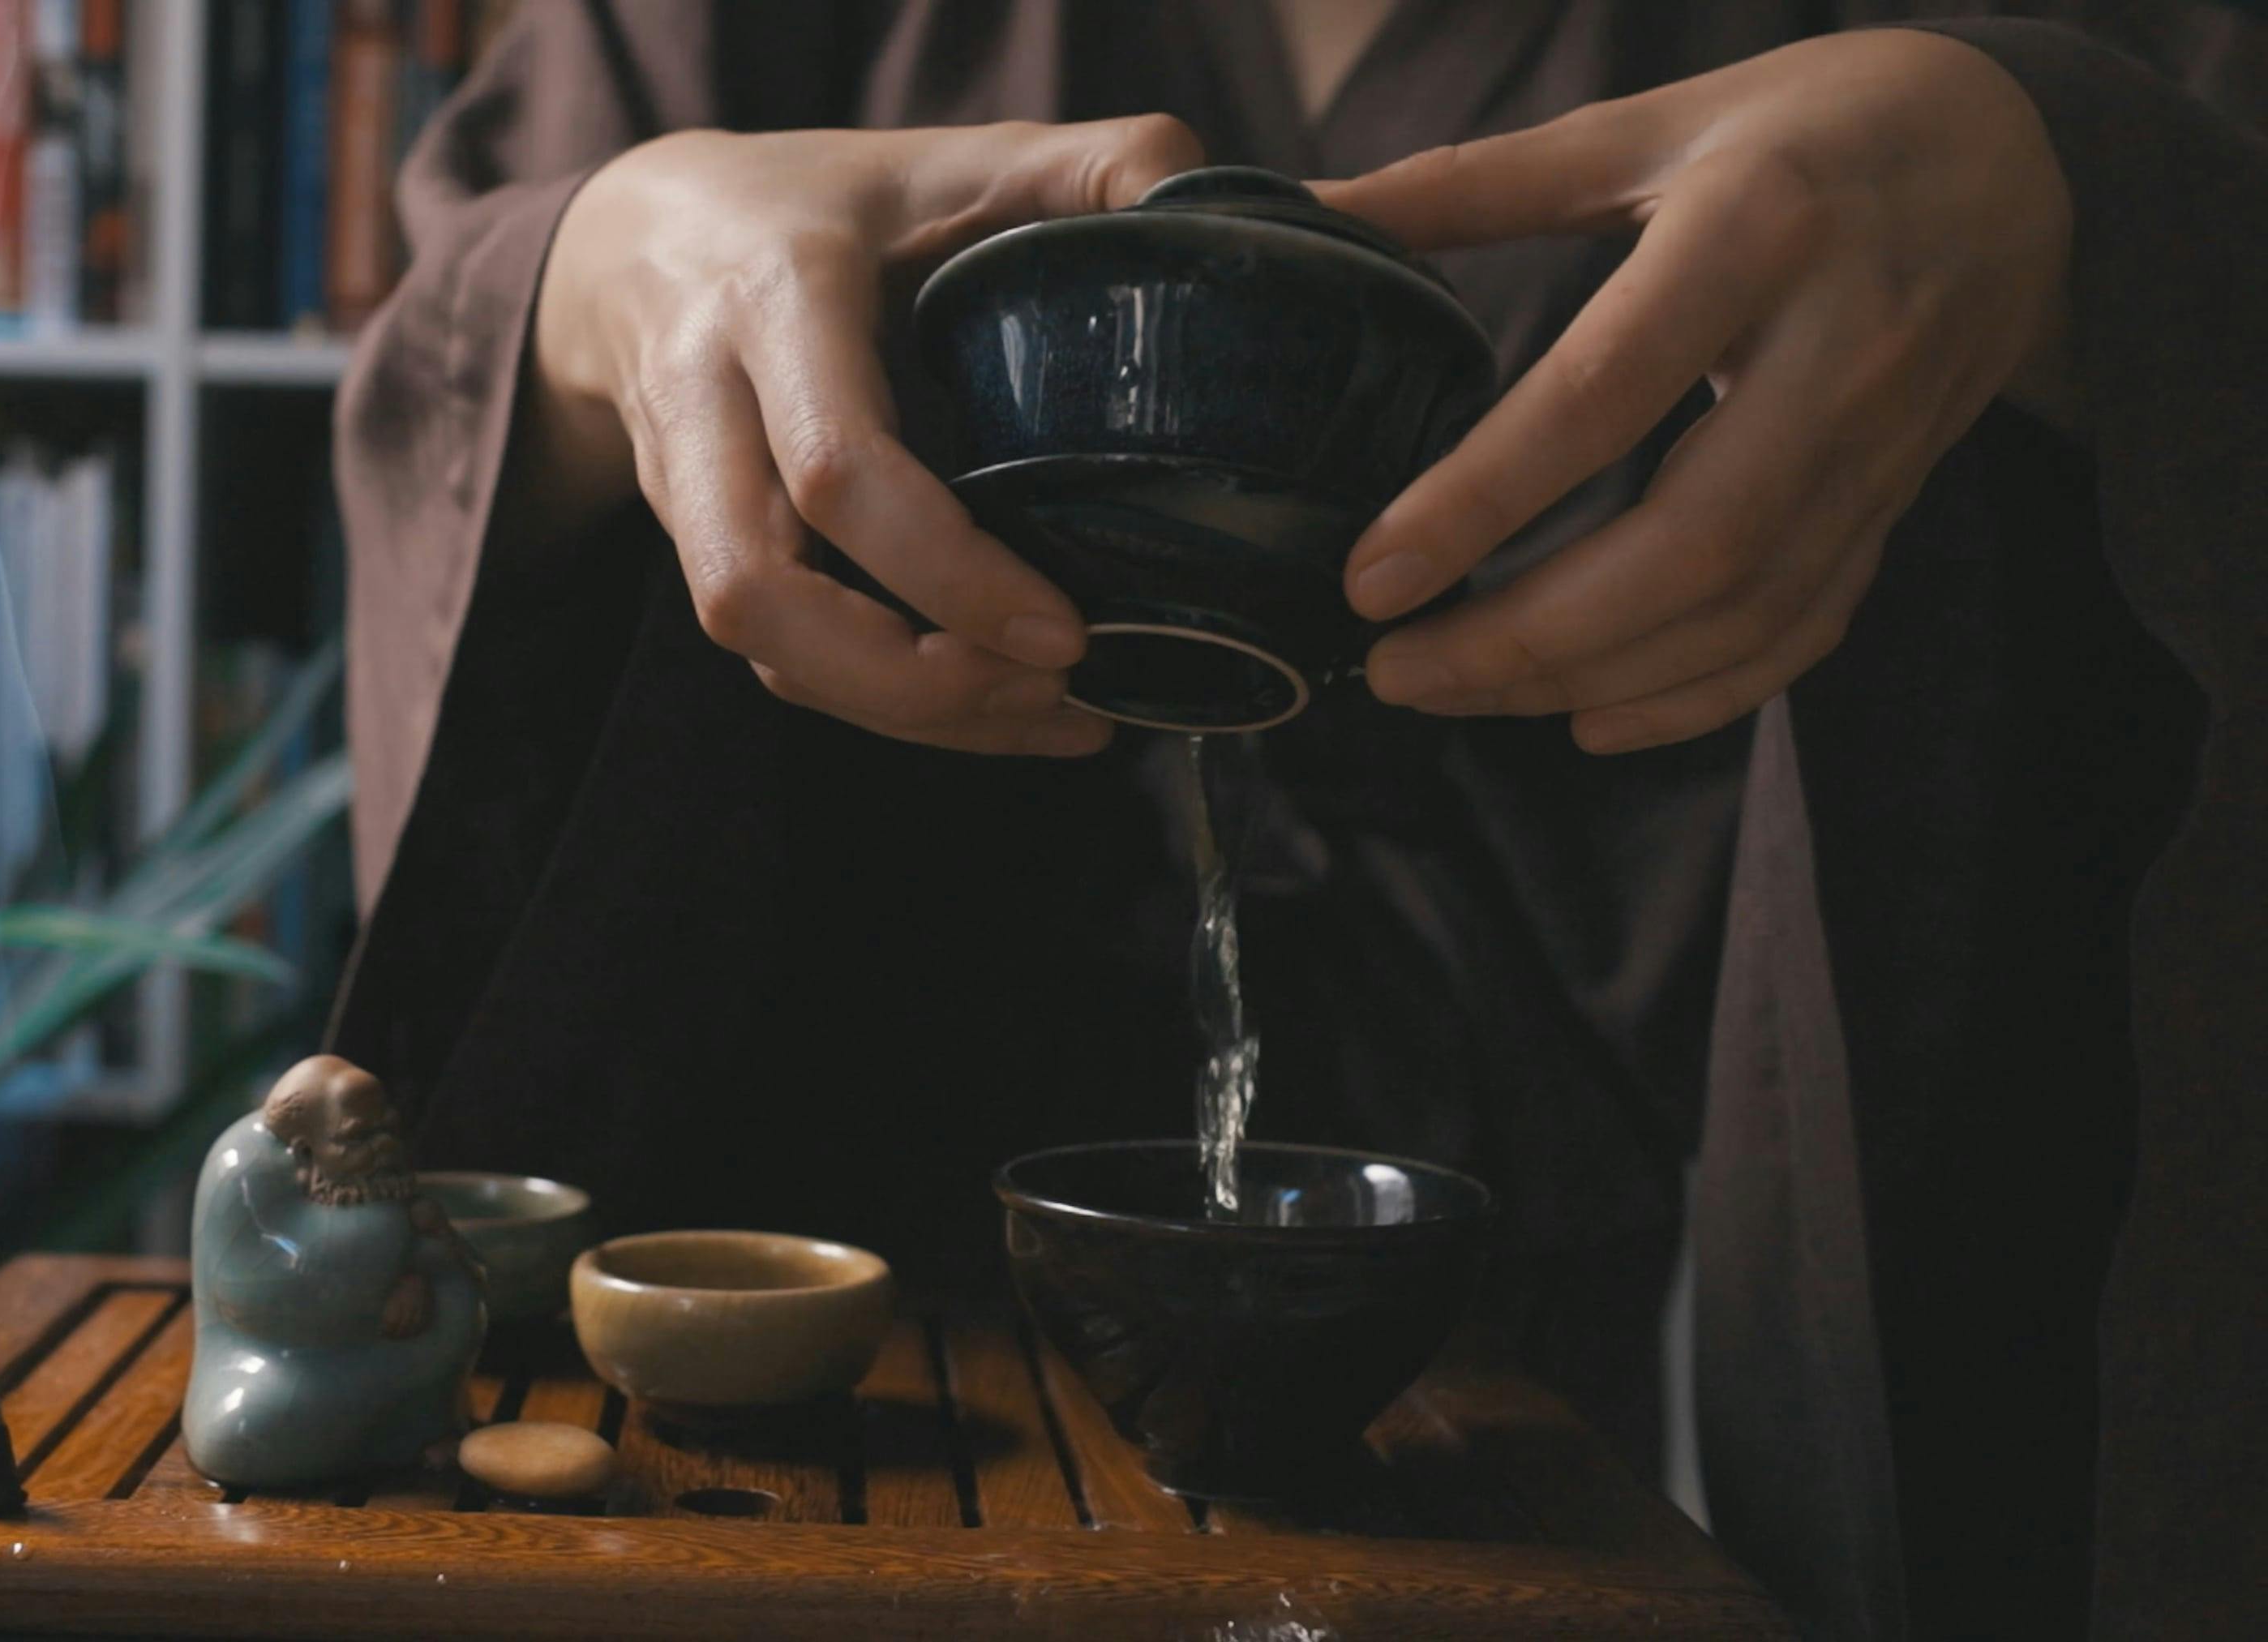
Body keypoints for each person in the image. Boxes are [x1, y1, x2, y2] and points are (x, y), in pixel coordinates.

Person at [324, 4, 2268, 1637]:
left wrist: (2074, 202)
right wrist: (608, 277)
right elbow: (475, 321)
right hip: (863, 1376)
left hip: (1653, 1360)